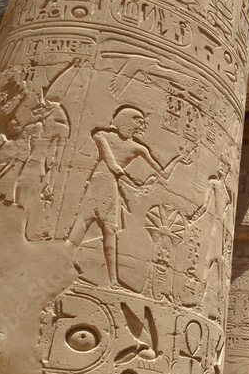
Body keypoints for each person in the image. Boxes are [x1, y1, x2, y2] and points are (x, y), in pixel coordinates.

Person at [70, 105, 191, 288]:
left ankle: (112, 281)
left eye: (141, 125)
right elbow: (112, 165)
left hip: (110, 187)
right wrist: (133, 183)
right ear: (125, 121)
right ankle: (64, 262)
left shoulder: (137, 148)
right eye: (137, 123)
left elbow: (163, 174)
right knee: (82, 225)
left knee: (109, 232)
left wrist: (178, 159)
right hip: (99, 183)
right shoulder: (103, 136)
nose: (139, 128)